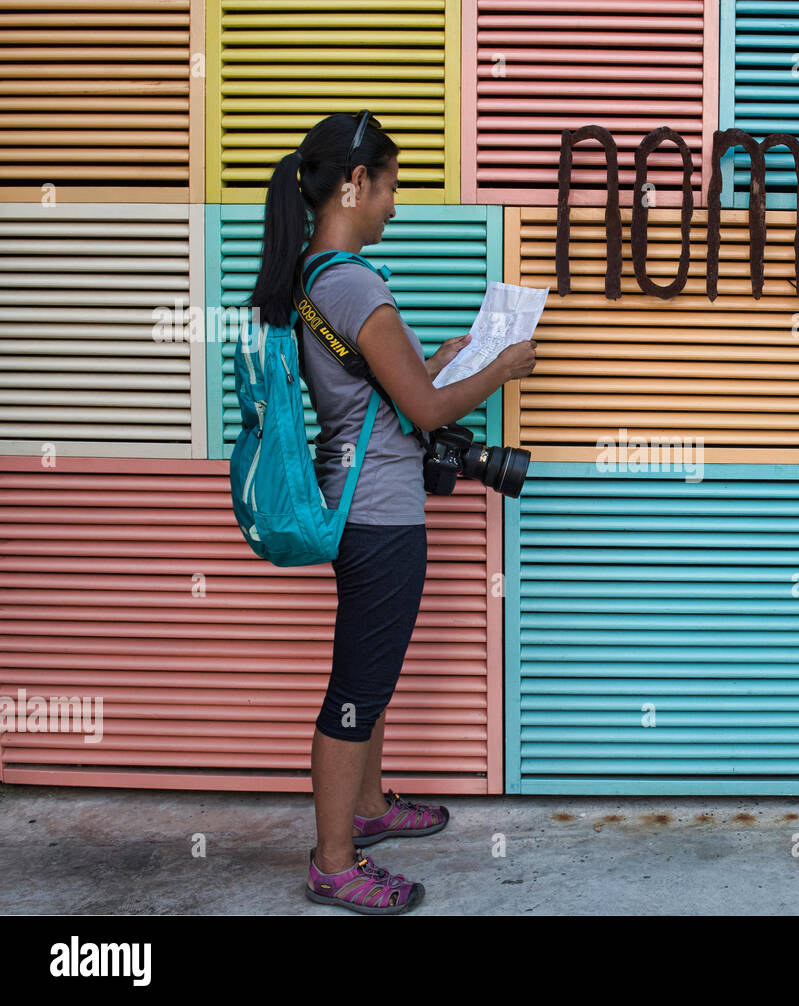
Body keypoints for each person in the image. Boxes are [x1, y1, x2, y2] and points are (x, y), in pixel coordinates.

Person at [246, 111, 536, 914]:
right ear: (354, 183)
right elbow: (422, 404)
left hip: (360, 504)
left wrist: (437, 357)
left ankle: (370, 811)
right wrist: (504, 366)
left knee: (368, 682)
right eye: (392, 185)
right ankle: (333, 862)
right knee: (355, 688)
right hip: (378, 514)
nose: (395, 205)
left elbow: (379, 387)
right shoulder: (353, 281)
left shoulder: (315, 277)